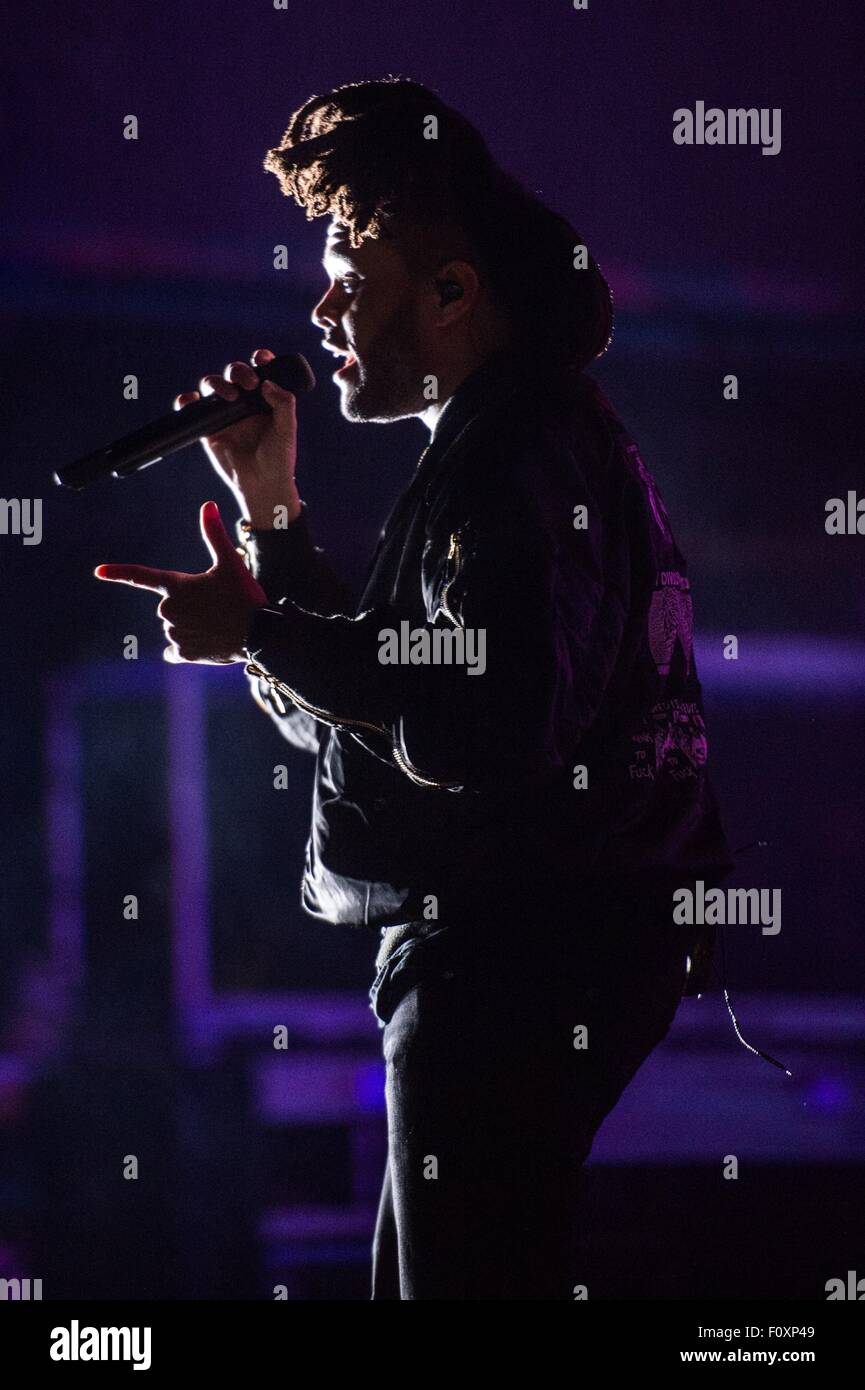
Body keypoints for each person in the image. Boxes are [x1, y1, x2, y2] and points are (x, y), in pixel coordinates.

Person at [95, 78, 733, 1300]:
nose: (323, 305)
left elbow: (478, 723)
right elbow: (378, 710)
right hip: (523, 946)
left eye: (350, 269)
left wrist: (262, 634)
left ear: (450, 293)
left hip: (517, 951)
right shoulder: (506, 446)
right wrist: (271, 517)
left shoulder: (518, 458)